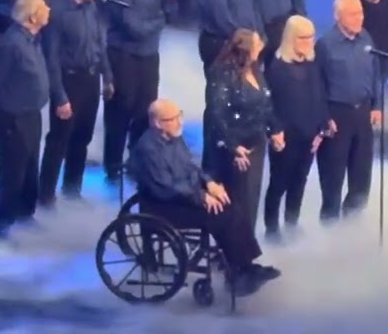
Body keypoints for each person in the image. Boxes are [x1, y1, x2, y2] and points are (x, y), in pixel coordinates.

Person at [129, 99, 279, 295]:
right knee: (222, 216)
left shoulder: (173, 138)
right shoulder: (149, 148)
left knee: (232, 206)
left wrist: (209, 184)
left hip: (183, 196)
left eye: (179, 116)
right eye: (174, 119)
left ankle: (244, 266)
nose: (180, 122)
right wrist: (201, 197)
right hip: (163, 206)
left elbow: (191, 167)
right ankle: (238, 272)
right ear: (158, 123)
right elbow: (165, 187)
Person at [0, 0, 52, 239]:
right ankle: (0, 225)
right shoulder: (11, 44)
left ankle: (24, 213)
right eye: (44, 7)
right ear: (32, 17)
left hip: (30, 113)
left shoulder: (33, 39)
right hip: (10, 117)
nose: (48, 9)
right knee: (12, 170)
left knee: (30, 166)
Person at [39, 0, 113, 205]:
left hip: (90, 81)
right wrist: (60, 97)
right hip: (69, 82)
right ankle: (46, 196)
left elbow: (99, 45)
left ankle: (72, 190)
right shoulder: (58, 13)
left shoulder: (91, 7)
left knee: (82, 138)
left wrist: (107, 77)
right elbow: (51, 58)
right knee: (59, 141)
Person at [104, 0, 177, 181]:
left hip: (148, 57)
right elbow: (136, 29)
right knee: (121, 112)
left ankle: (137, 161)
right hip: (124, 57)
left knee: (146, 111)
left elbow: (172, 14)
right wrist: (161, 18)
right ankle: (113, 167)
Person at [204, 29, 285, 233]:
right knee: (238, 202)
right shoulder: (222, 74)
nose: (261, 48)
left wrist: (275, 130)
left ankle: (245, 250)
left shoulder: (255, 69)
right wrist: (233, 147)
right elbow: (217, 113)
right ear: (245, 49)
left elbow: (265, 103)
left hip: (255, 144)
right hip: (232, 148)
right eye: (257, 45)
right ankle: (233, 253)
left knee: (250, 200)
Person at [263, 15, 333, 239]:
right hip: (286, 138)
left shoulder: (313, 65)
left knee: (299, 182)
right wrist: (274, 131)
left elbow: (320, 97)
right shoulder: (277, 68)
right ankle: (272, 230)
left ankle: (291, 224)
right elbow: (267, 104)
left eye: (311, 37)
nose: (309, 42)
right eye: (303, 38)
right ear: (291, 39)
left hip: (309, 135)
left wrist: (321, 128)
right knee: (279, 184)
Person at [315, 0, 382, 219]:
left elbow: (376, 75)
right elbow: (318, 85)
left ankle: (352, 225)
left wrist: (376, 105)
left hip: (363, 114)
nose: (360, 18)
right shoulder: (325, 45)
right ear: (338, 16)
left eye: (361, 12)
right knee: (333, 178)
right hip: (337, 116)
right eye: (353, 14)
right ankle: (330, 228)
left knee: (361, 175)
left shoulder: (367, 38)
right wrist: (324, 118)